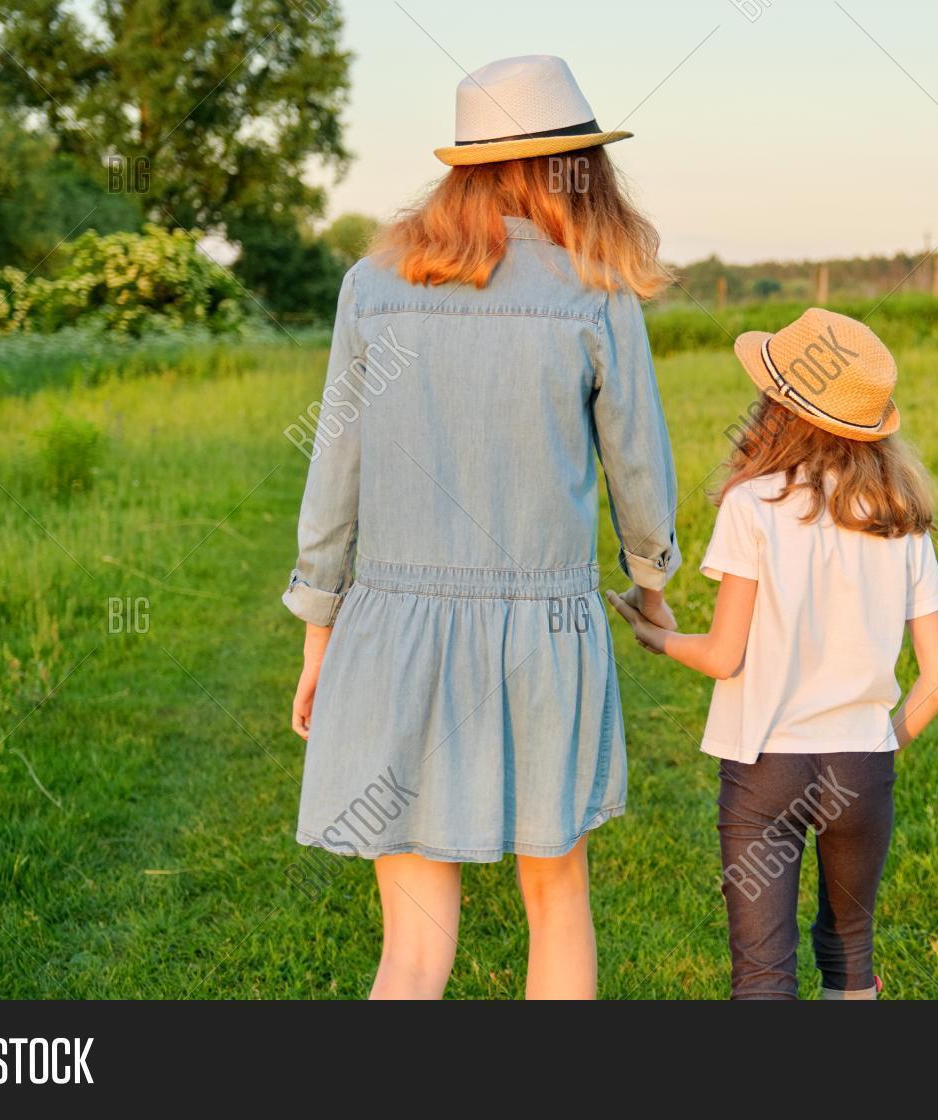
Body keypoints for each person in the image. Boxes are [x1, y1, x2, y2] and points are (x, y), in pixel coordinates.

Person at [285, 55, 679, 1000]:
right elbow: (640, 470)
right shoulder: (595, 291)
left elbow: (334, 470)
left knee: (412, 948)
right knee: (557, 899)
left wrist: (318, 634)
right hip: (545, 635)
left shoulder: (370, 286)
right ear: (573, 168)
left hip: (392, 633)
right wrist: (651, 582)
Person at [608, 308, 938, 999]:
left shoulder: (755, 504)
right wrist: (872, 747)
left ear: (780, 409)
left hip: (766, 766)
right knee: (851, 950)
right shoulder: (900, 515)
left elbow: (723, 656)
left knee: (764, 974)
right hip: (862, 767)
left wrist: (654, 634)